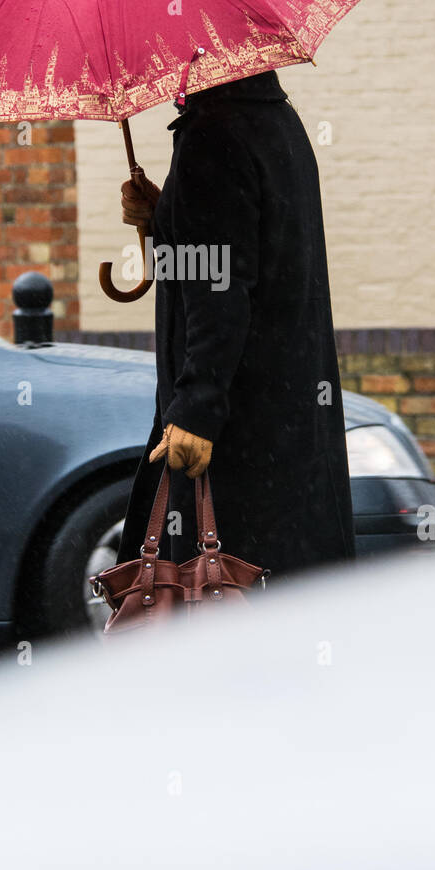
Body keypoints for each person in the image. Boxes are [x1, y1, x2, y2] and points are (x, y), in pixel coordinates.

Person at [115, 69, 355, 576]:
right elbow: (237, 256)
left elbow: (219, 288)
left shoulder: (212, 135)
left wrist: (197, 408)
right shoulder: (275, 120)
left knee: (222, 599)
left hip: (236, 427)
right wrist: (162, 218)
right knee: (289, 595)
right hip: (285, 417)